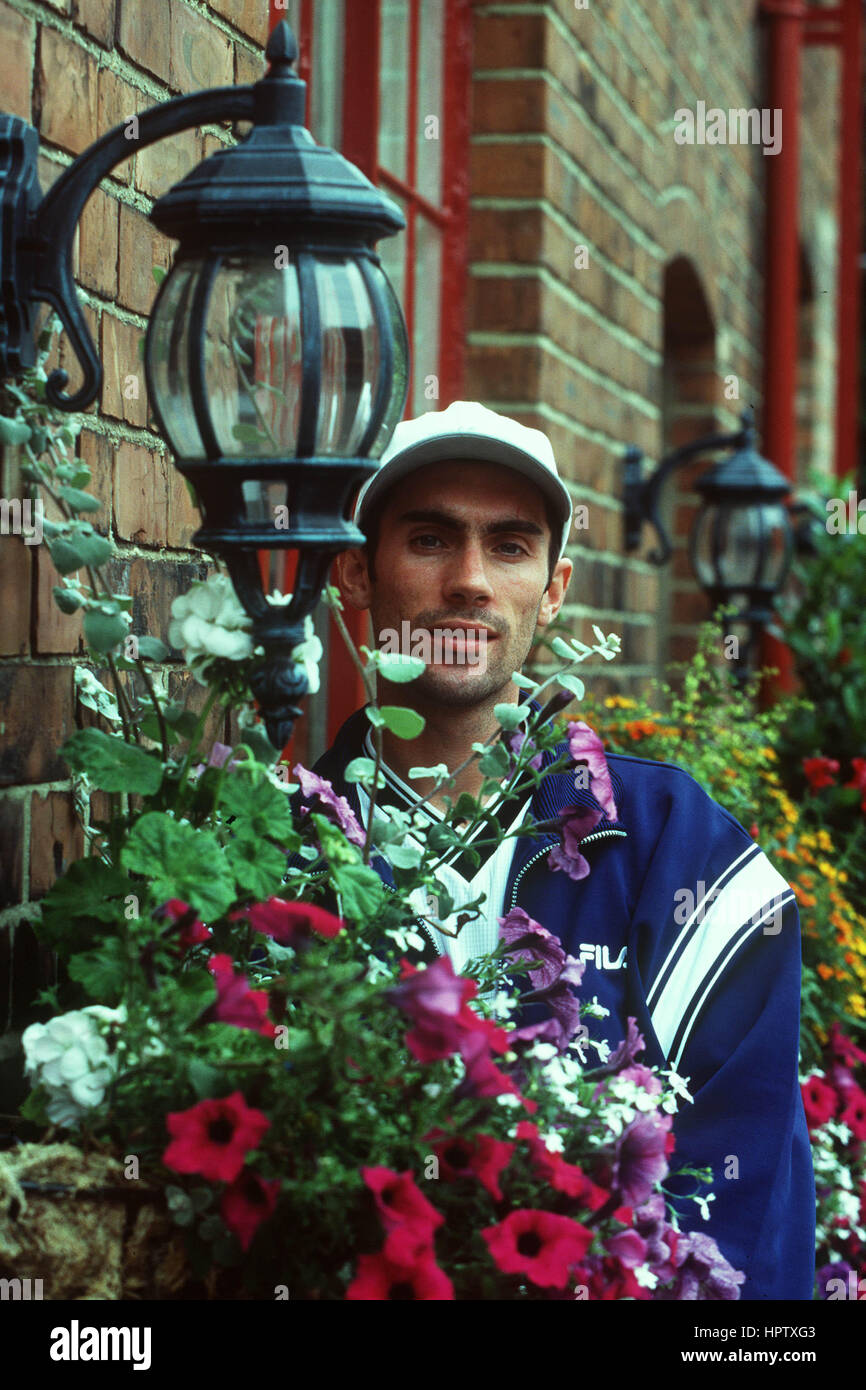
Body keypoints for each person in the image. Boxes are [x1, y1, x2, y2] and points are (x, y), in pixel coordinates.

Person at [291, 399, 816, 1300]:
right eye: (428, 539)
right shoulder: (279, 845)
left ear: (556, 585)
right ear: (356, 574)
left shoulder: (680, 854)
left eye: (509, 545)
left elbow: (745, 1213)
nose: (468, 581)